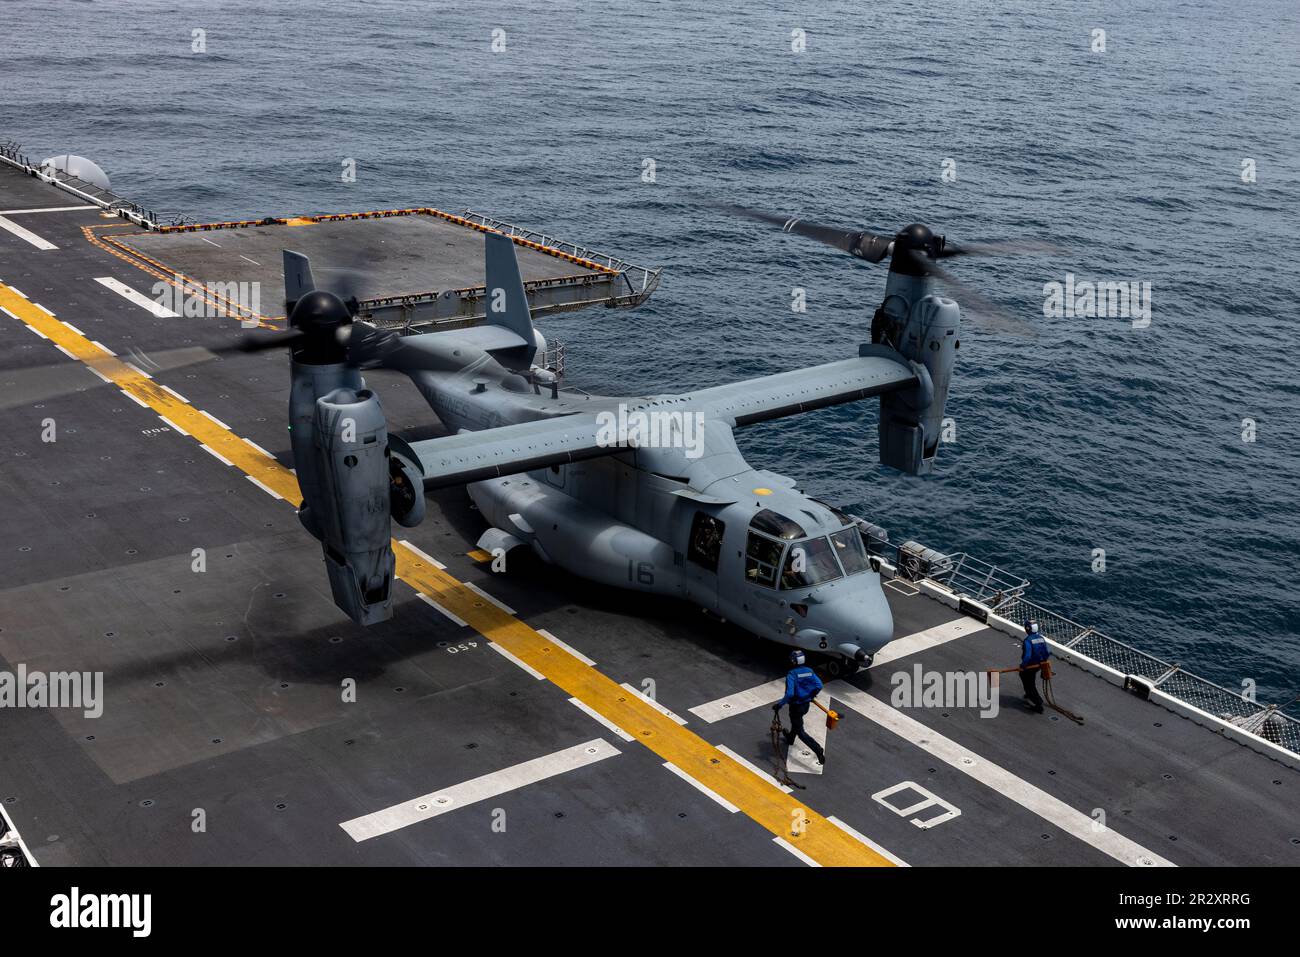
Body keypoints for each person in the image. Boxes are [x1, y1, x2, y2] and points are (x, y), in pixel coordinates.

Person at [772, 650, 825, 764]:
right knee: (796, 723)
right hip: (805, 705)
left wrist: (779, 705)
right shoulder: (809, 671)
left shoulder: (792, 674)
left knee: (800, 732)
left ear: (793, 661)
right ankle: (790, 738)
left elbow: (790, 694)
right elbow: (819, 685)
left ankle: (818, 749)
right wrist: (811, 695)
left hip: (796, 706)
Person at [1020, 621, 1050, 713]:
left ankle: (1038, 704)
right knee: (1030, 679)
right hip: (1038, 665)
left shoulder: (1028, 640)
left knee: (1028, 683)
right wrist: (1043, 663)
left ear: (1027, 629)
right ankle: (1029, 694)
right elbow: (1047, 652)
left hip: (1030, 665)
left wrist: (1023, 666)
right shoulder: (1041, 638)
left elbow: (1027, 656)